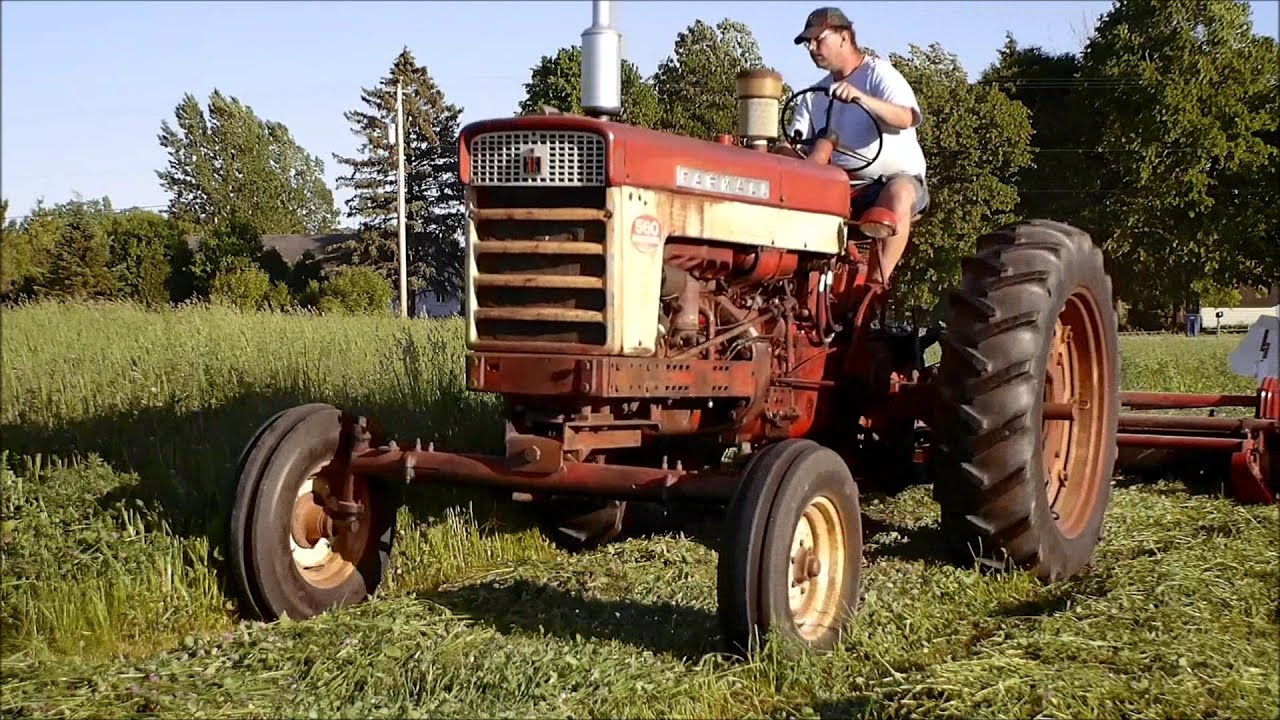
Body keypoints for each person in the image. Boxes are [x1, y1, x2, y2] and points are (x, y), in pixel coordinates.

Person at [779, 7, 929, 288]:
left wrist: (862, 98)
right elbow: (793, 144)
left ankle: (873, 290)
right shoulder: (813, 96)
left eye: (817, 40)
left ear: (845, 37)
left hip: (888, 184)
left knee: (899, 191)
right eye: (807, 43)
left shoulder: (877, 74)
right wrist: (780, 151)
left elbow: (907, 117)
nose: (812, 48)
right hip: (841, 190)